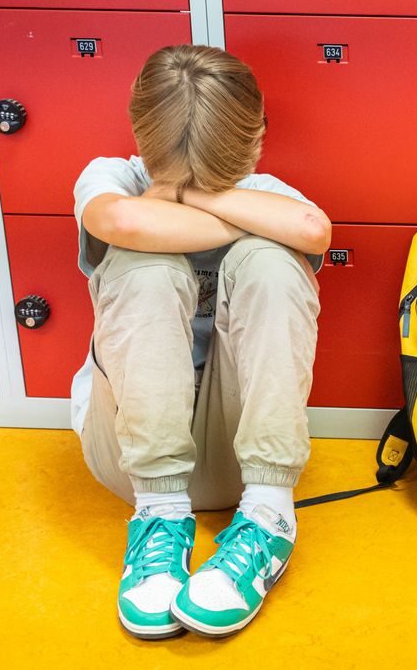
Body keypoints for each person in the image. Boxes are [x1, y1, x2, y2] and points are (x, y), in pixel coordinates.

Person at [69, 44, 330, 639]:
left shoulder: (264, 189)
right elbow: (127, 223)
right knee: (145, 264)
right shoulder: (111, 179)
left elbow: (314, 230)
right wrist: (241, 213)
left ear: (142, 126)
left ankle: (268, 518)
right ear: (256, 135)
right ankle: (159, 519)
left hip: (248, 457)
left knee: (272, 262)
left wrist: (180, 192)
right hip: (132, 459)